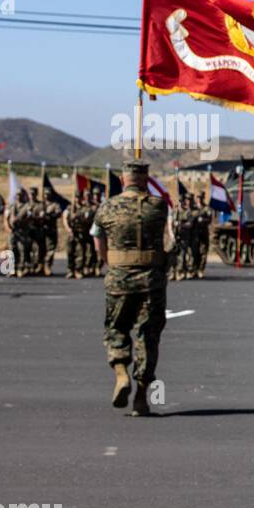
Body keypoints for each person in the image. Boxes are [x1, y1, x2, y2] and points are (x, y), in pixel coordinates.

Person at [91, 159, 170, 416]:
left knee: (116, 328)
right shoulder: (158, 207)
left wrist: (110, 264)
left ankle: (121, 371)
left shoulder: (107, 207)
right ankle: (140, 398)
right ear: (145, 179)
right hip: (151, 281)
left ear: (123, 179)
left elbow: (97, 241)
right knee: (148, 336)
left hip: (119, 278)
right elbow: (167, 240)